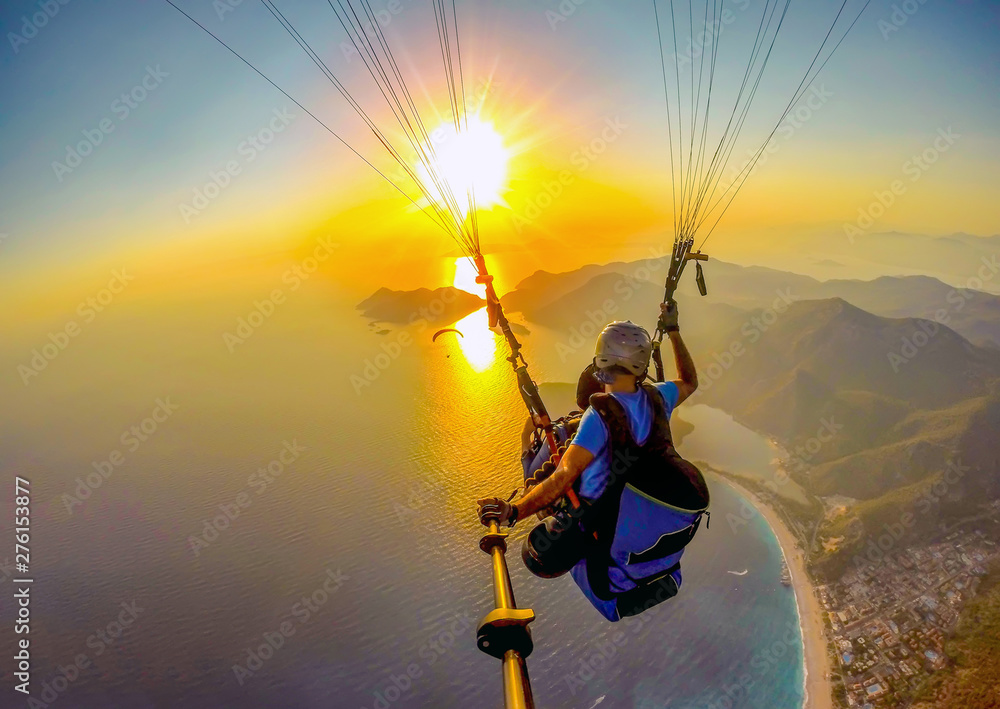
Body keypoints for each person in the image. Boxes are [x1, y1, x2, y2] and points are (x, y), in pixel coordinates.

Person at [477, 301, 710, 622]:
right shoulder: (657, 396)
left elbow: (561, 476)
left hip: (648, 533)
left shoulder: (596, 417)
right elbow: (690, 381)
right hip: (682, 505)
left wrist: (514, 511)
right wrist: (673, 329)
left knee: (564, 536)